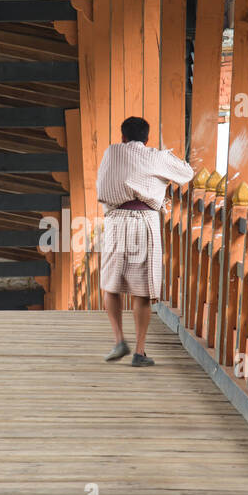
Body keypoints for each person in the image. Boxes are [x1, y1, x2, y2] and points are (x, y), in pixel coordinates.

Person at [96, 116, 194, 366]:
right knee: (142, 290)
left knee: (111, 283)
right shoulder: (155, 156)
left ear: (123, 137)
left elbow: (102, 185)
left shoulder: (112, 152)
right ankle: (139, 351)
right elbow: (186, 173)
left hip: (116, 219)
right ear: (147, 138)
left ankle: (119, 340)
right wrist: (164, 158)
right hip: (144, 222)